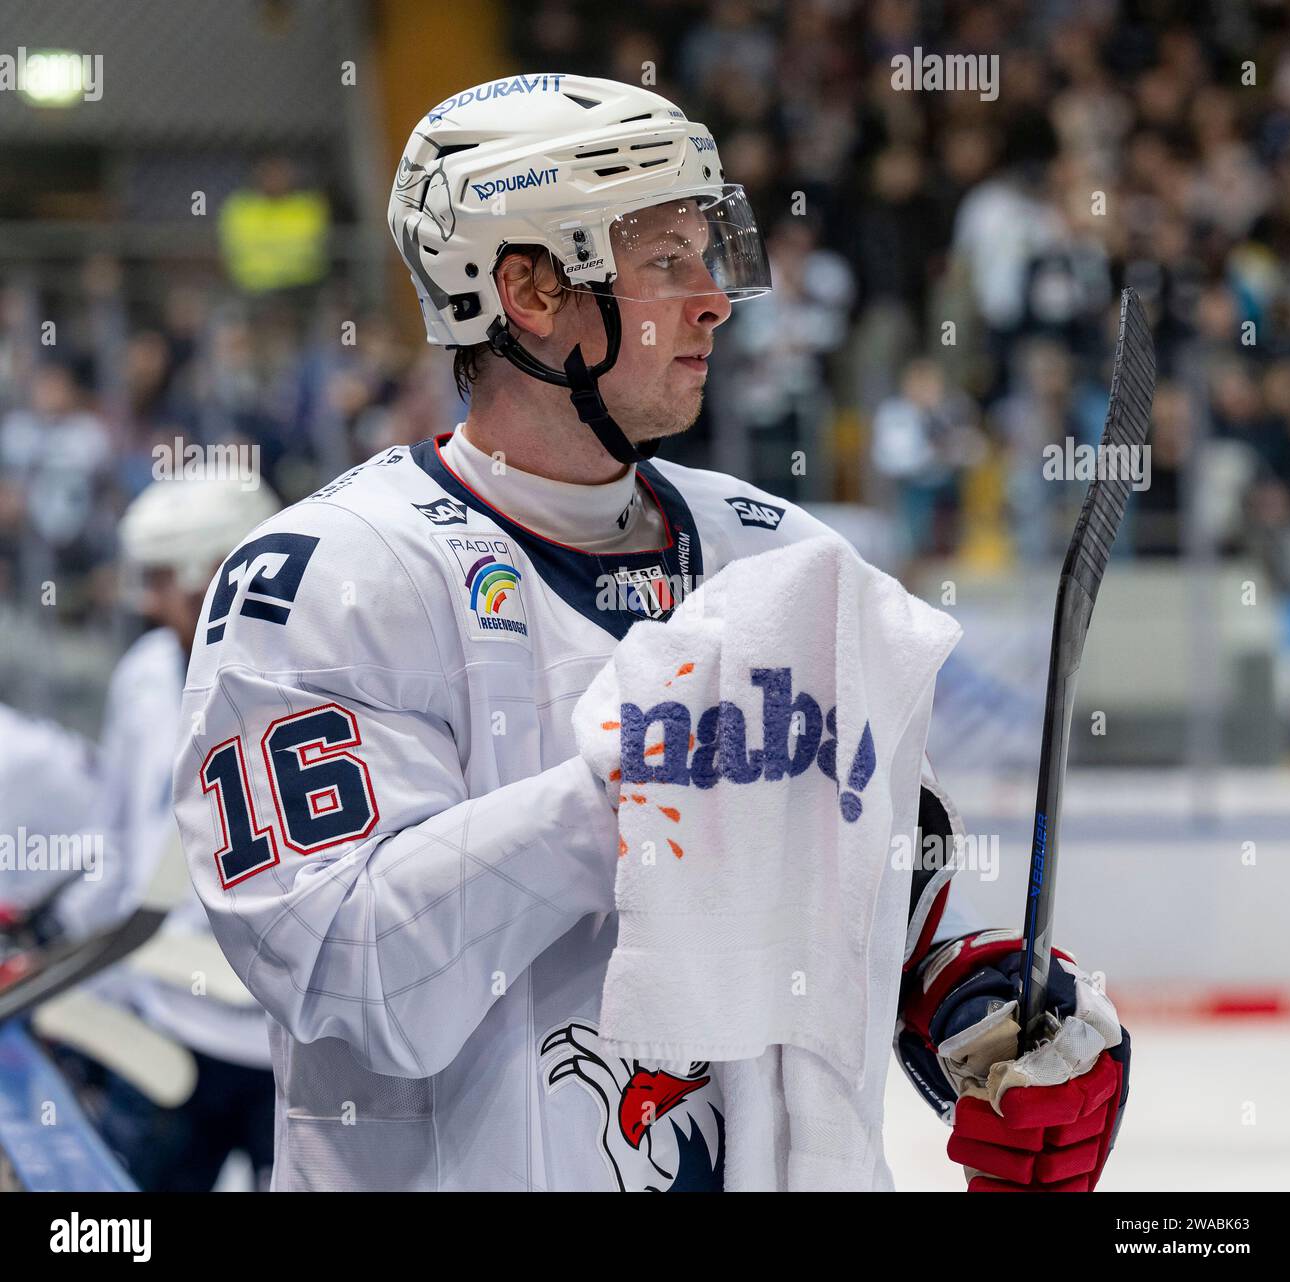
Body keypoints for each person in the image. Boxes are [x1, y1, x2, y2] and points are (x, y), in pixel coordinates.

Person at [172, 74, 1130, 1192]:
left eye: (707, 253)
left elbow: (872, 895)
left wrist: (975, 1005)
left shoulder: (777, 558)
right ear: (530, 288)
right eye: (667, 261)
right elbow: (350, 974)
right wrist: (641, 790)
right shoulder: (334, 575)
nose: (714, 300)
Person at [3, 476, 282, 1190]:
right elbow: (120, 841)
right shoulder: (146, 674)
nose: (146, 601)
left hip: (290, 1043)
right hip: (166, 1027)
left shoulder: (314, 671)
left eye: (161, 580)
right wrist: (51, 935)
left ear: (219, 573)